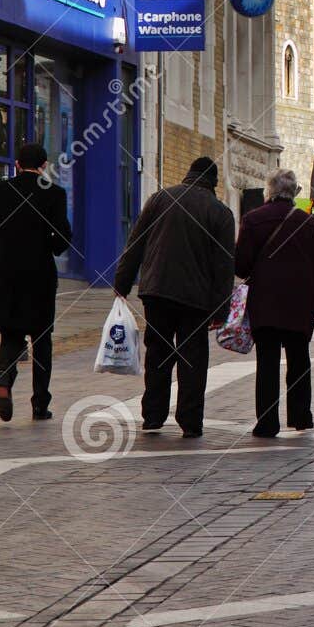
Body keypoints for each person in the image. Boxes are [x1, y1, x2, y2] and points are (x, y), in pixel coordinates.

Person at [114, 156, 235, 438]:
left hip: (157, 290)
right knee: (193, 358)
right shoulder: (220, 212)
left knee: (158, 351)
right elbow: (224, 265)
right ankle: (190, 421)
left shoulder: (159, 199)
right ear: (214, 182)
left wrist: (122, 281)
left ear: (188, 173)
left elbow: (136, 243)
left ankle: (153, 415)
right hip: (196, 298)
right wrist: (221, 309)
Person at [236, 169, 314, 439]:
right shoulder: (307, 222)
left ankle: (267, 423)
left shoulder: (253, 220)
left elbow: (241, 266)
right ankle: (301, 416)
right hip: (300, 305)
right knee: (299, 360)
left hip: (265, 303)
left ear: (269, 190)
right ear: (294, 192)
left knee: (267, 363)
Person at [0, 143, 72, 422]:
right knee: (42, 339)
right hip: (39, 275)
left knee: (11, 332)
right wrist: (46, 243)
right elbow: (62, 239)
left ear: (17, 164)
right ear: (44, 165)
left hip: (7, 273)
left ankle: (4, 377)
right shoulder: (55, 194)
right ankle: (39, 404)